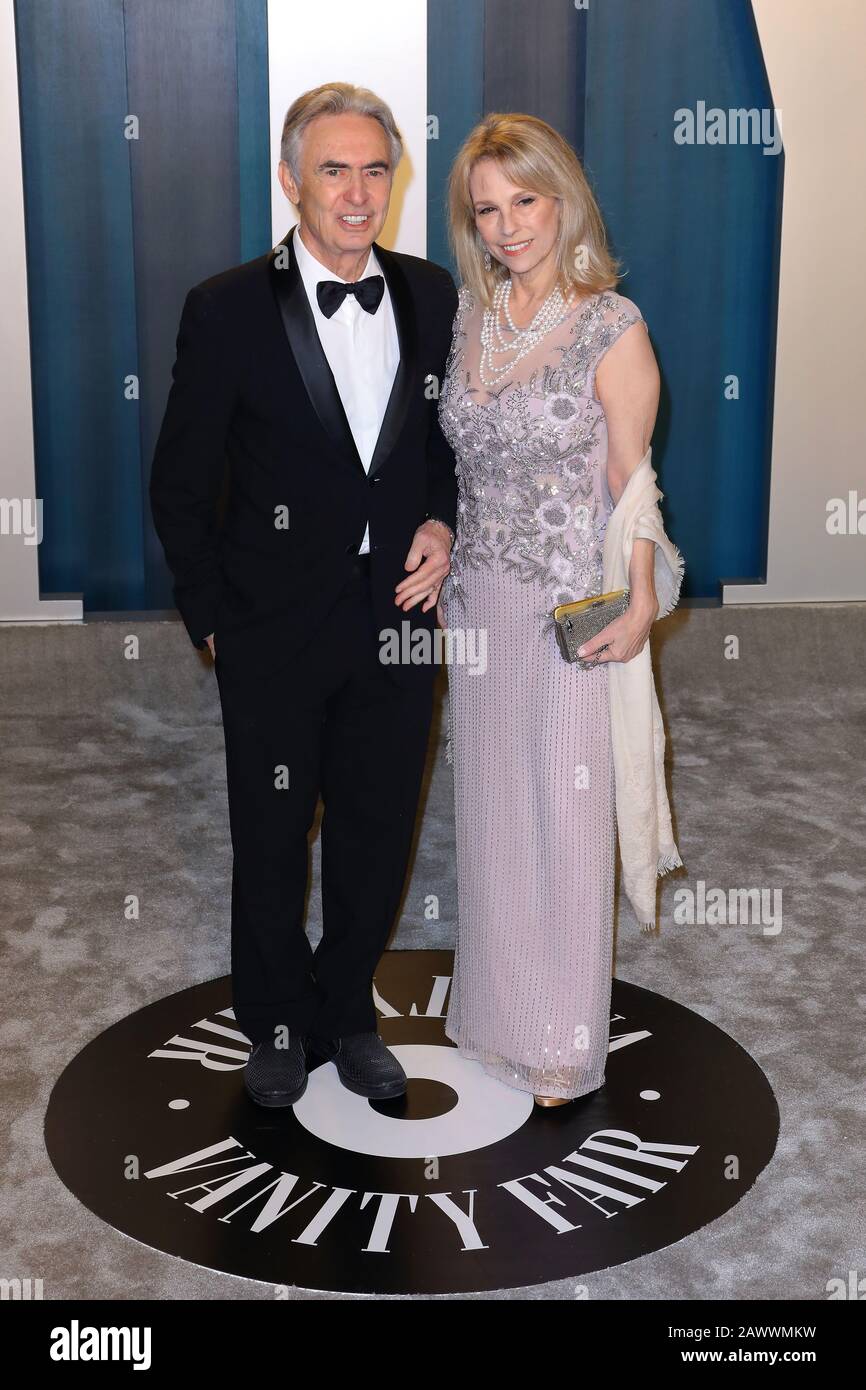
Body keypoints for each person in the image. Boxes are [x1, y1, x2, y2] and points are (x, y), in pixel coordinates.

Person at [150, 83, 457, 1108]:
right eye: (334, 169)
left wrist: (440, 524)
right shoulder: (226, 307)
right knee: (274, 837)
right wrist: (211, 625)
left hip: (400, 622)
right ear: (291, 180)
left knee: (377, 831)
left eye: (375, 168)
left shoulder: (432, 295)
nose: (357, 191)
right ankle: (276, 1023)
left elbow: (442, 454)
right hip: (271, 629)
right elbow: (181, 484)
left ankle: (347, 1012)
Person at [437, 112, 681, 1107]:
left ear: (561, 196)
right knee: (493, 815)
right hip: (479, 603)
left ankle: (561, 1039)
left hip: (568, 598)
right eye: (486, 209)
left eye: (523, 201)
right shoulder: (469, 316)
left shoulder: (609, 324)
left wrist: (634, 598)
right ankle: (496, 1017)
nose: (507, 226)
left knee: (564, 815)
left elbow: (631, 477)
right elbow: (455, 464)